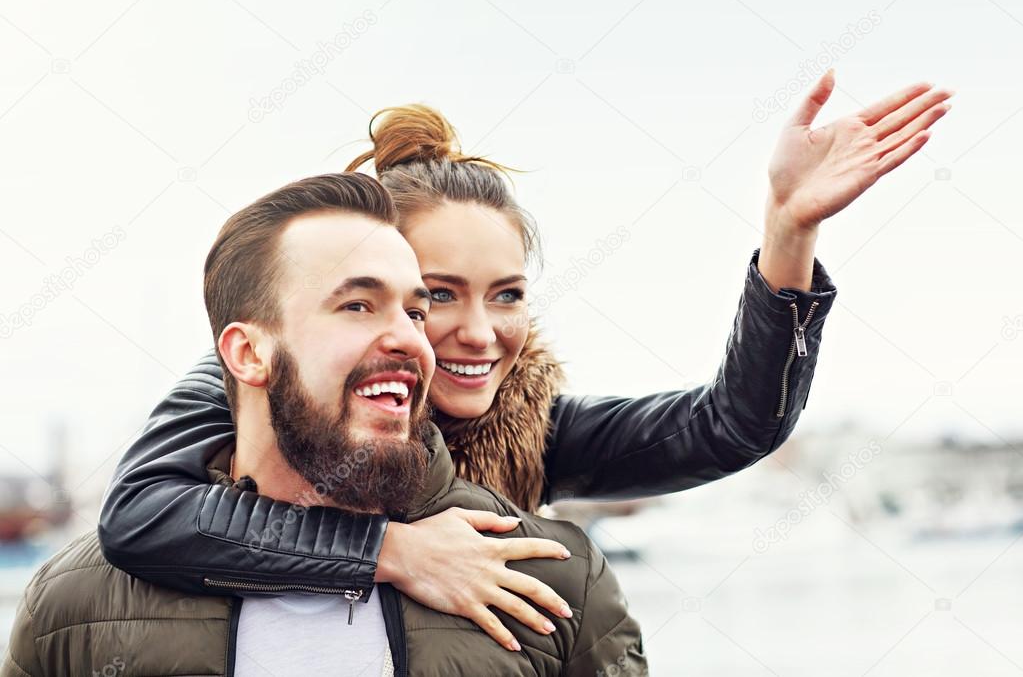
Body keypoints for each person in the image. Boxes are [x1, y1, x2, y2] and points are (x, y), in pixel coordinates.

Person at [97, 71, 951, 650]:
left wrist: (787, 232)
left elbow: (729, 426)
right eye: (436, 295)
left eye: (505, 294)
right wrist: (393, 552)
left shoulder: (529, 428)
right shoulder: (262, 387)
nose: (478, 332)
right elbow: (141, 515)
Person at [2, 173, 645, 677]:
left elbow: (719, 426)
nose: (412, 339)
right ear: (248, 354)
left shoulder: (548, 579)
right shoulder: (77, 605)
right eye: (358, 305)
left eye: (416, 311)